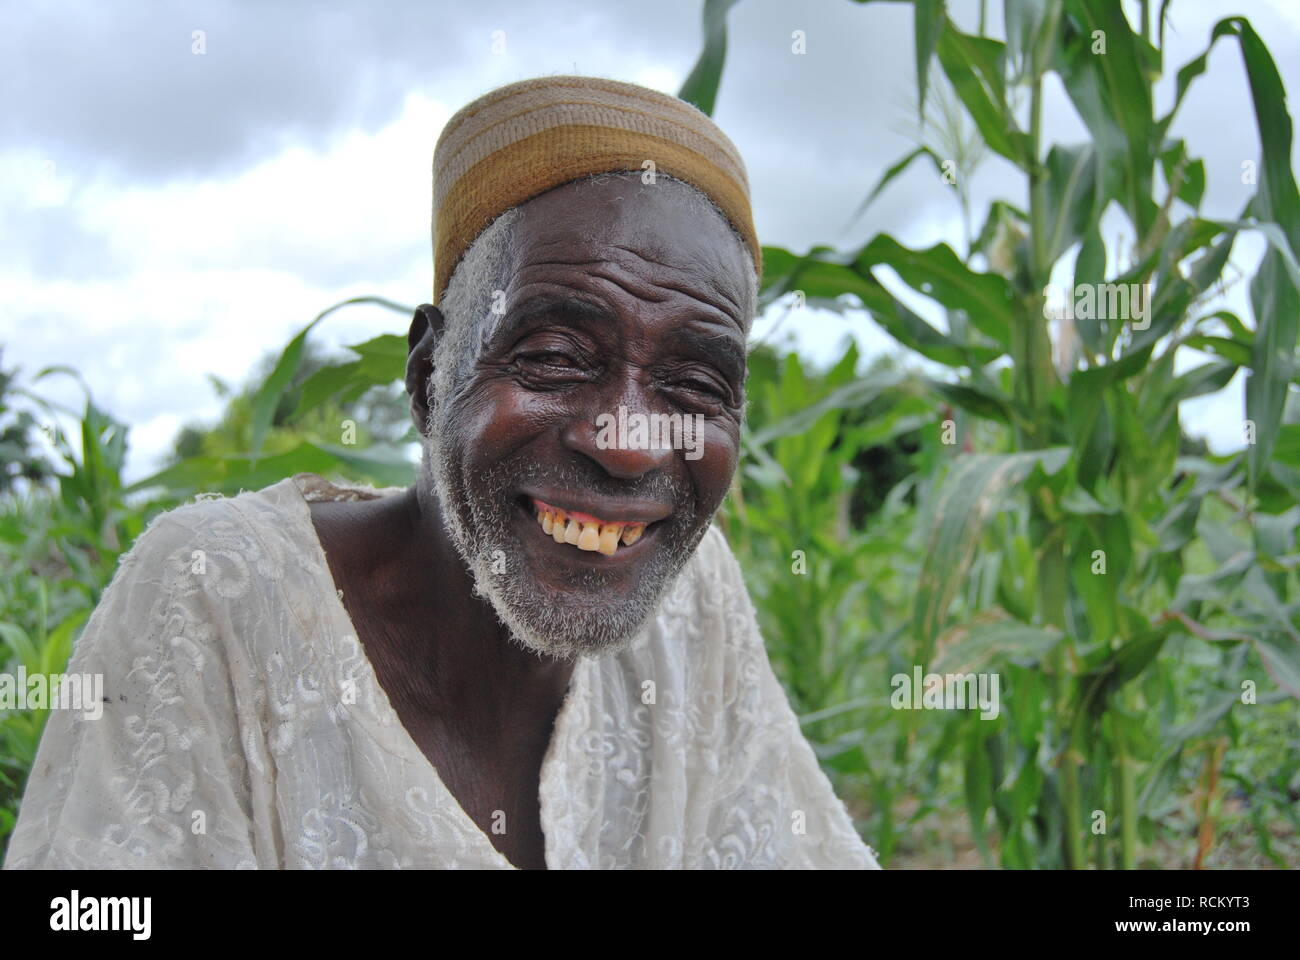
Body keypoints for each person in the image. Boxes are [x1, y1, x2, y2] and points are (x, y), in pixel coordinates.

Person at [5, 76, 880, 870]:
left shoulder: (693, 605)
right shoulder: (220, 598)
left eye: (694, 385)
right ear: (430, 378)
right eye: (555, 356)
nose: (629, 443)